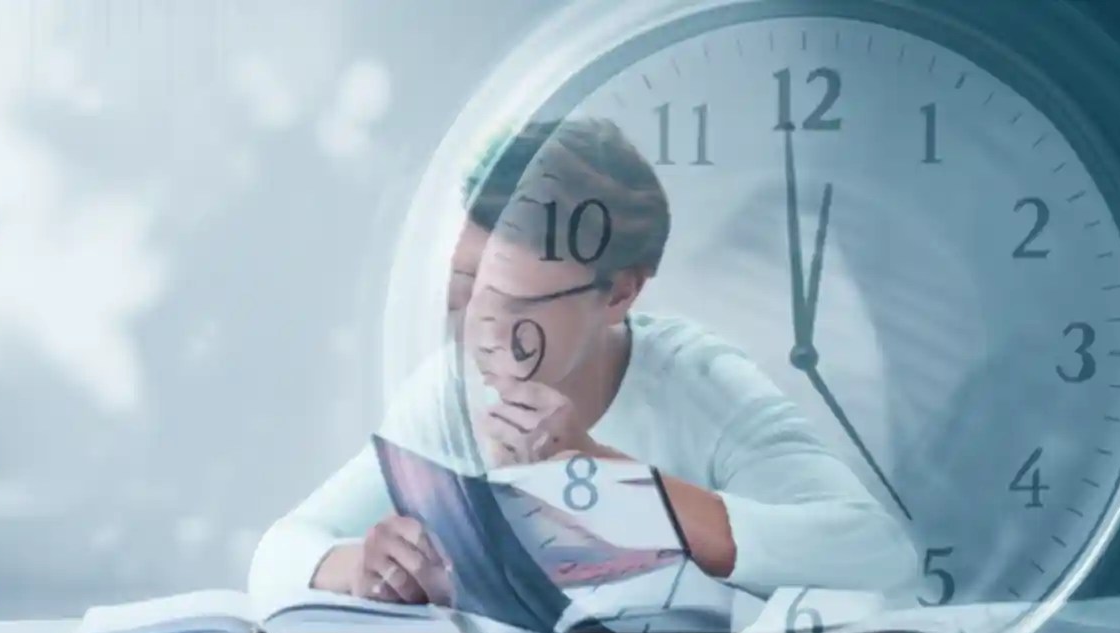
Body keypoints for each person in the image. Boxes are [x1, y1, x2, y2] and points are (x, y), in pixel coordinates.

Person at [248, 117, 918, 608]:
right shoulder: (449, 396)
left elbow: (879, 557)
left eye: (517, 306)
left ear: (619, 292)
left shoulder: (699, 384)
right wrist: (358, 566)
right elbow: (278, 552)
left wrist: (610, 481)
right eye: (468, 290)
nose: (483, 333)